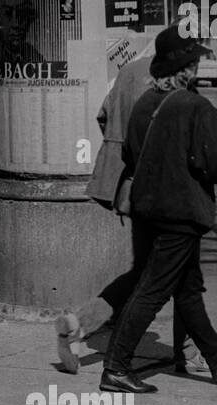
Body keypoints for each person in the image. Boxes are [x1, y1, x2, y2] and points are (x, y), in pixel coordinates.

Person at [55, 37, 202, 376]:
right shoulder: (168, 82)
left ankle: (79, 324)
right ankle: (189, 352)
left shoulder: (129, 71)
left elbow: (104, 114)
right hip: (166, 193)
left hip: (130, 188)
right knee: (181, 271)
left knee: (150, 271)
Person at [101, 25, 217, 394]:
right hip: (181, 213)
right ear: (185, 68)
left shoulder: (144, 105)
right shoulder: (197, 107)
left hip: (147, 209)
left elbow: (130, 153)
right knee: (152, 291)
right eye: (195, 60)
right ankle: (116, 368)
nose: (198, 66)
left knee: (187, 291)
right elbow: (210, 165)